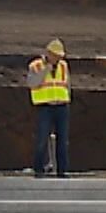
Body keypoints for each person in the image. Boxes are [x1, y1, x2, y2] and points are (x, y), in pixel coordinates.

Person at [26, 38, 71, 179]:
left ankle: (62, 170)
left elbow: (67, 84)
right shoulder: (36, 66)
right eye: (55, 55)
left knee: (62, 140)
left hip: (61, 106)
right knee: (42, 139)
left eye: (60, 56)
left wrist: (67, 98)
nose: (58, 59)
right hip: (45, 106)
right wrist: (46, 70)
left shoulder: (63, 66)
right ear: (49, 53)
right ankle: (39, 168)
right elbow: (32, 83)